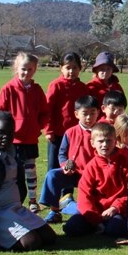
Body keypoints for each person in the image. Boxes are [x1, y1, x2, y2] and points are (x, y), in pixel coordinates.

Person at [0, 112, 56, 252]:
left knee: (50, 238)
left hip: (15, 208)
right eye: (0, 133)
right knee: (32, 243)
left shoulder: (15, 153)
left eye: (10, 132)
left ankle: (13, 233)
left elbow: (19, 183)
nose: (5, 136)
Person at [0, 51, 48, 212]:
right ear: (17, 68)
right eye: (23, 69)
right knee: (13, 173)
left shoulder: (37, 90)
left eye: (30, 69)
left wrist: (37, 127)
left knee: (30, 171)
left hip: (30, 139)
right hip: (13, 141)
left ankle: (32, 201)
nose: (26, 72)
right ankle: (14, 202)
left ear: (35, 70)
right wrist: (8, 130)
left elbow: (45, 112)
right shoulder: (8, 89)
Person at [38, 94, 100, 224]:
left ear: (98, 113)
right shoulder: (70, 132)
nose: (89, 117)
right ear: (76, 114)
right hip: (73, 174)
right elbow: (62, 153)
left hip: (93, 177)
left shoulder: (100, 133)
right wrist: (65, 165)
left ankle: (68, 205)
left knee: (88, 211)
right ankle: (54, 211)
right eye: (85, 113)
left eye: (92, 113)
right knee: (52, 175)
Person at [63, 122, 128, 238]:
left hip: (115, 211)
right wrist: (95, 220)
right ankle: (98, 227)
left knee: (115, 229)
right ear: (93, 143)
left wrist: (116, 207)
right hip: (94, 212)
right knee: (71, 227)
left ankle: (104, 228)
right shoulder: (91, 166)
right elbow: (84, 196)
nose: (105, 145)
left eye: (109, 141)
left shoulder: (125, 163)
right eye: (101, 141)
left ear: (115, 141)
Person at [43, 52, 88, 171]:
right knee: (53, 165)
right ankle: (52, 189)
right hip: (57, 133)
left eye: (75, 68)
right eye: (68, 68)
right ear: (61, 68)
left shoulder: (83, 88)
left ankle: (66, 190)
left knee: (71, 164)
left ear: (80, 69)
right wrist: (49, 130)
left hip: (74, 134)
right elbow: (48, 108)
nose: (71, 71)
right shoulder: (55, 85)